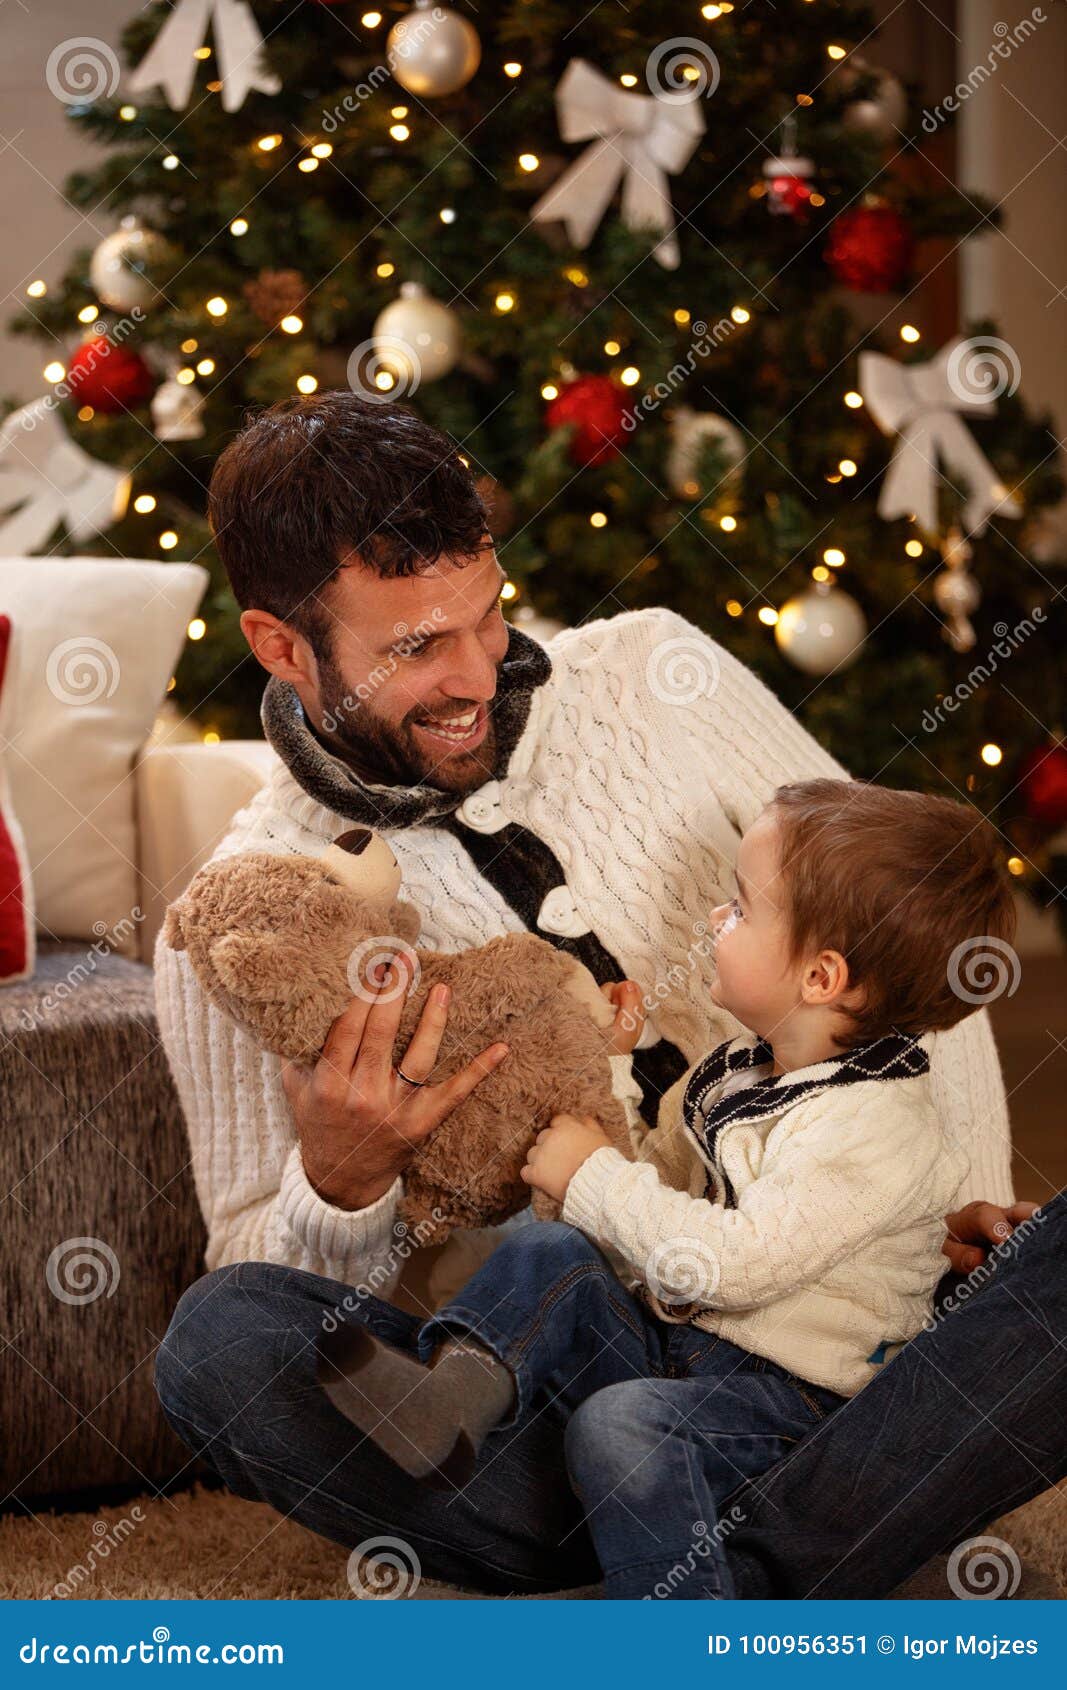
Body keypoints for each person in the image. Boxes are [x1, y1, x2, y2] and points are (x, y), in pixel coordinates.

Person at [153, 391, 1047, 1598]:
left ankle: (694, 1561)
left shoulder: (653, 668)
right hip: (552, 1386)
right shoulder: (246, 922)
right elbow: (261, 1257)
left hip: (832, 1341)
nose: (478, 671)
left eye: (488, 614)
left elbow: (902, 946)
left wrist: (956, 1218)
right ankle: (771, 1548)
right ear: (279, 645)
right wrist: (339, 1184)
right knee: (220, 1344)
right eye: (415, 647)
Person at [313, 779, 1016, 1598]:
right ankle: (447, 1402)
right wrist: (609, 1076)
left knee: (623, 1428)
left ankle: (678, 1626)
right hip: (677, 1346)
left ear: (821, 977)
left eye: (741, 910)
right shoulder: (730, 1075)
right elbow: (642, 1199)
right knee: (553, 1249)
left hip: (796, 1407)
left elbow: (739, 1265)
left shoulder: (874, 1128)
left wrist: (589, 1175)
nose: (717, 921)